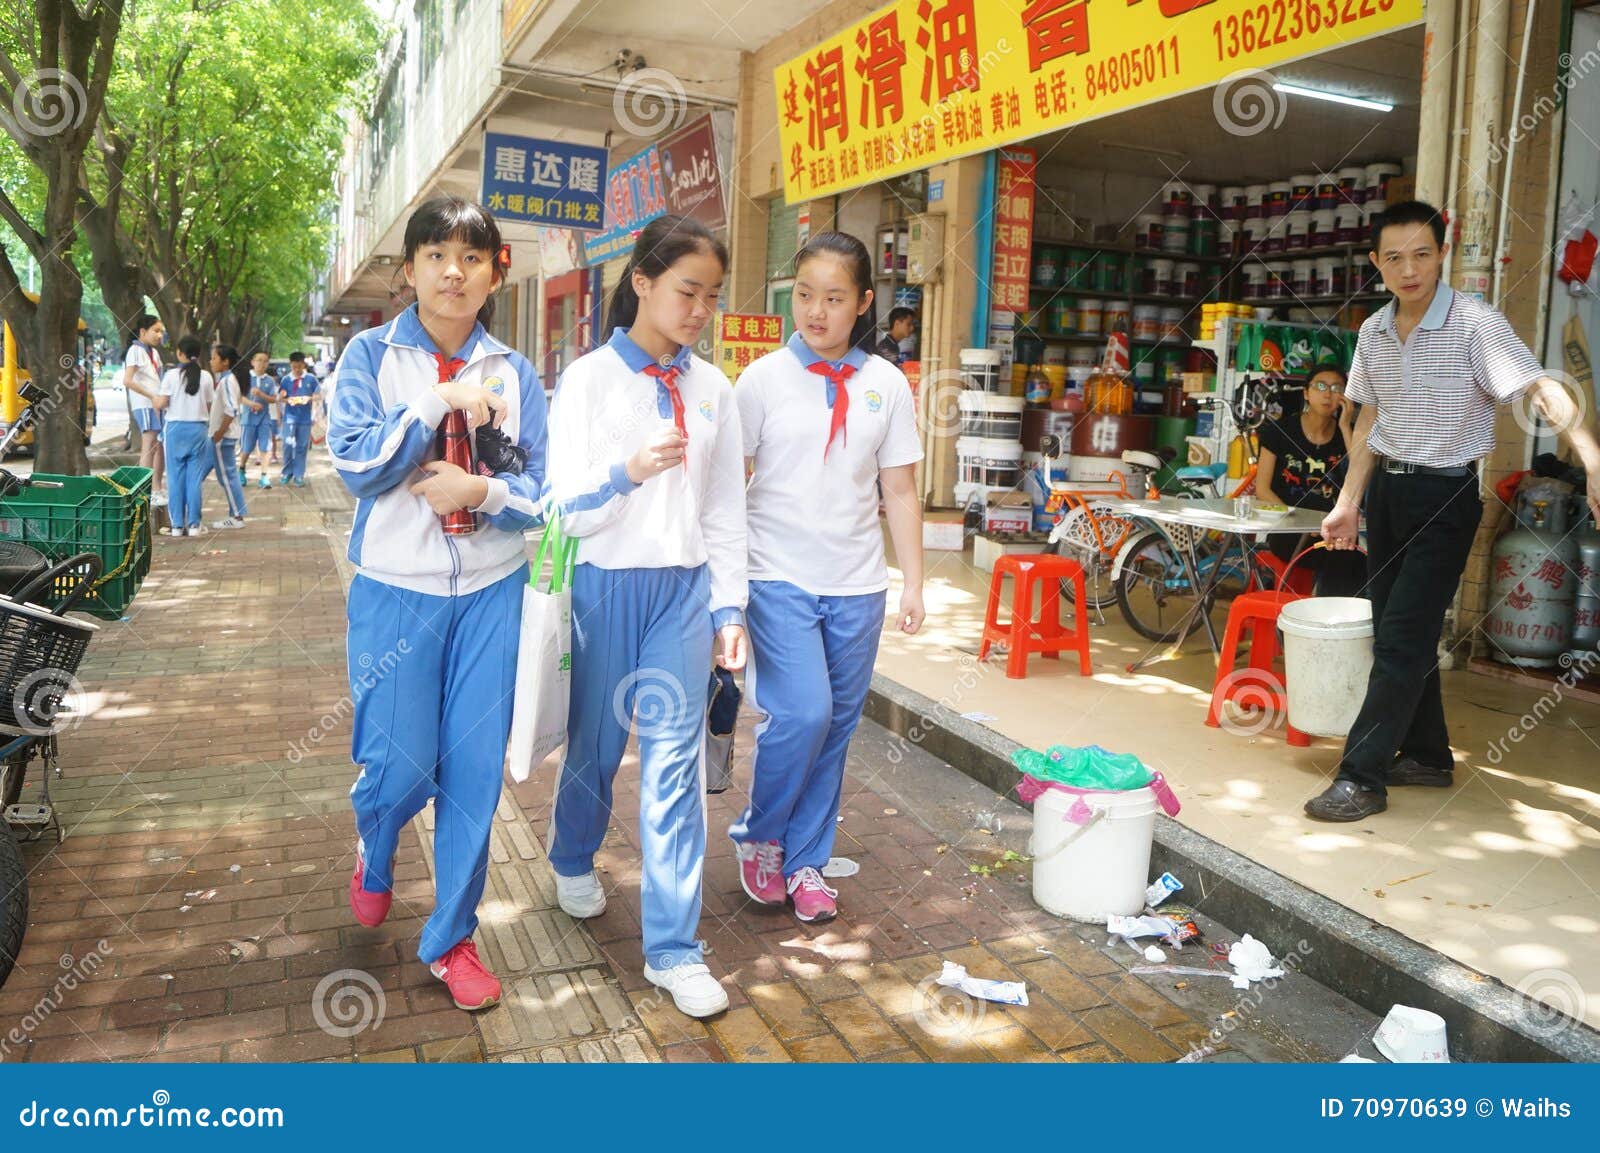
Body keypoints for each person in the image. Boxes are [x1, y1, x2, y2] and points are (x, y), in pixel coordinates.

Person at [1307, 201, 1600, 822]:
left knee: (1400, 640)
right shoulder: (1374, 332)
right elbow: (1368, 416)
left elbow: (1536, 387)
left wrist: (1592, 459)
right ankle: (1429, 755)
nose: (1408, 269)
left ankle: (1362, 777)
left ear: (1442, 253)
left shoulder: (1475, 323)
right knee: (1398, 631)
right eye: (1393, 258)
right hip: (1388, 494)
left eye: (1421, 254)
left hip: (1446, 496)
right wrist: (1349, 501)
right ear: (1375, 264)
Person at [329, 194, 548, 1011]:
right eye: (436, 255)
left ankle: (452, 937)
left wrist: (480, 490)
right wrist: (438, 403)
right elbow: (358, 465)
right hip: (396, 593)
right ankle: (376, 843)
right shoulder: (370, 357)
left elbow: (539, 493)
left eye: (471, 257)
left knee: (473, 775)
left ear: (496, 273)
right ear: (410, 269)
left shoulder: (516, 373)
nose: (453, 271)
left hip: (493, 592)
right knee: (398, 765)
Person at [544, 213, 747, 1020]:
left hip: (683, 594)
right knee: (595, 747)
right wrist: (626, 471)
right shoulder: (589, 380)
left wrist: (729, 605)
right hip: (603, 585)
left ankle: (672, 947)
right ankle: (570, 852)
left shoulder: (715, 389)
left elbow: (727, 506)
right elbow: (562, 508)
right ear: (641, 283)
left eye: (710, 297)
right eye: (685, 290)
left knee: (673, 766)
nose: (698, 309)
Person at [728, 232, 926, 923]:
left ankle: (807, 858)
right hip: (776, 574)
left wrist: (913, 583)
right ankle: (760, 836)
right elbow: (730, 485)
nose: (816, 311)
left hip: (857, 584)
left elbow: (899, 490)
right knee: (802, 713)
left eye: (834, 298)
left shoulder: (887, 384)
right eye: (805, 294)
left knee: (837, 726)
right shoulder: (760, 381)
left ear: (864, 302)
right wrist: (724, 587)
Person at [1255, 364, 1366, 597]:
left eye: (1337, 388)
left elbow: (1361, 471)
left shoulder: (1349, 433)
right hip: (1289, 529)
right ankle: (1324, 621)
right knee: (1342, 558)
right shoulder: (1279, 432)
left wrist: (1345, 426)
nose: (1328, 394)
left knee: (1353, 557)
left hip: (1334, 529)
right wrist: (1300, 521)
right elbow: (1262, 489)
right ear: (1306, 393)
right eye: (1320, 386)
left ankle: (1334, 621)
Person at [152, 334, 217, 537]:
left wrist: (154, 401)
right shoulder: (206, 376)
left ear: (180, 353)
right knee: (194, 479)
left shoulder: (171, 376)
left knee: (175, 477)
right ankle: (195, 525)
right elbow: (209, 405)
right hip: (198, 429)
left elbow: (161, 404)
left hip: (175, 430)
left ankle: (178, 526)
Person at [122, 315, 167, 506]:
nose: (159, 335)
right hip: (145, 403)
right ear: (142, 332)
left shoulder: (153, 353)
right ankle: (145, 491)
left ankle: (157, 488)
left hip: (156, 403)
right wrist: (151, 396)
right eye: (155, 331)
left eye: (161, 332)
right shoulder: (135, 350)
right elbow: (128, 380)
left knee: (158, 446)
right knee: (149, 443)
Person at [206, 344, 249, 529]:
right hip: (224, 435)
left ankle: (237, 516)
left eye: (215, 358)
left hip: (224, 437)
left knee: (227, 476)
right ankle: (236, 514)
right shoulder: (225, 380)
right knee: (227, 476)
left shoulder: (227, 381)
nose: (211, 361)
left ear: (225, 362)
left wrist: (218, 434)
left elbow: (231, 410)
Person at [279, 351, 319, 486]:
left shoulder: (311, 379)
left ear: (303, 365)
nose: (296, 369)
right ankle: (287, 471)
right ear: (290, 365)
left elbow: (318, 396)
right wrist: (286, 399)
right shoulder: (286, 380)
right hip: (289, 418)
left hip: (305, 418)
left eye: (299, 366)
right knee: (287, 445)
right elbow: (281, 397)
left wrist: (308, 398)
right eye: (294, 366)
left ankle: (299, 474)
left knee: (302, 447)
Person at [239, 351, 278, 489]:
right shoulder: (245, 378)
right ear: (253, 362)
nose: (262, 363)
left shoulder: (269, 381)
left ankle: (264, 475)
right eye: (259, 360)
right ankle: (242, 470)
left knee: (265, 447)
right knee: (246, 448)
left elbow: (274, 399)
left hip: (264, 419)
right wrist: (251, 404)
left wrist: (261, 394)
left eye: (265, 361)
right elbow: (239, 397)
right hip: (248, 419)